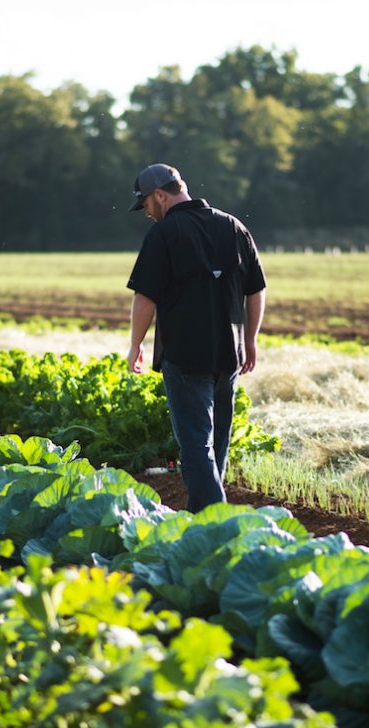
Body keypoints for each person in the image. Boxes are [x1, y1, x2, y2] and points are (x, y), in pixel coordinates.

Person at [125, 163, 267, 512]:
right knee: (216, 443)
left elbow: (145, 297)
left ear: (160, 195)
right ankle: (206, 514)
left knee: (196, 446)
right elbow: (256, 290)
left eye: (146, 204)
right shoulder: (233, 226)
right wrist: (250, 340)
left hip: (186, 357)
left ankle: (212, 519)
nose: (146, 212)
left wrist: (135, 345)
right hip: (228, 355)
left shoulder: (164, 234)